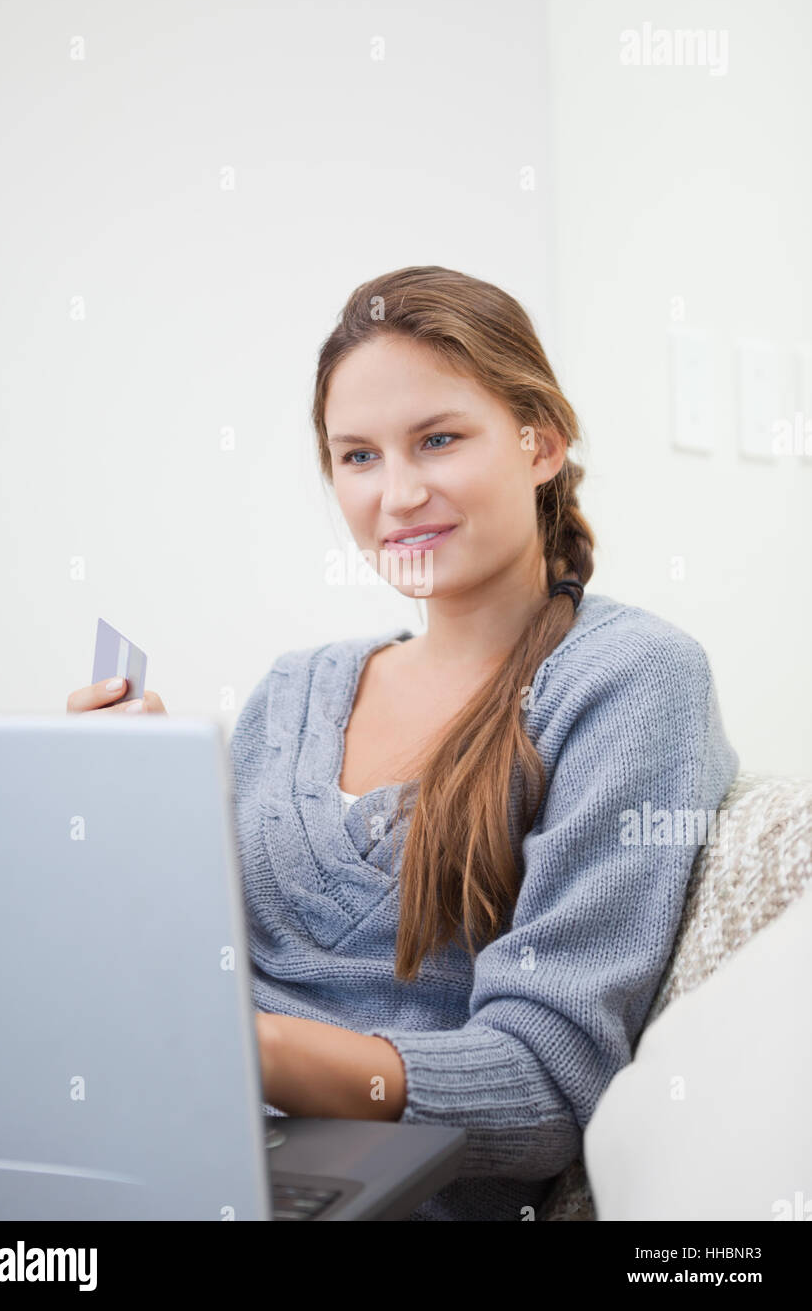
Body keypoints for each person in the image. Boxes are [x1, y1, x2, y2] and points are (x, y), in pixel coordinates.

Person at [68, 265, 739, 1221]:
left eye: (438, 439)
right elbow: (189, 960)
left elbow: (545, 1086)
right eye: (358, 457)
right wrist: (113, 816)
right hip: (174, 1142)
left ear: (538, 442)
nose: (399, 494)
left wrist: (246, 1050)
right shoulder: (296, 689)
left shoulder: (630, 679)